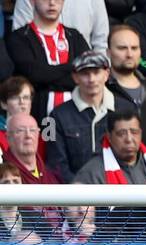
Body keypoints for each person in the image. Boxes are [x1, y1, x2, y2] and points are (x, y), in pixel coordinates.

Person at [47, 49, 137, 182]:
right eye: (85, 74)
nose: (91, 79)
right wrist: (80, 190)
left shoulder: (127, 108)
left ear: (107, 74)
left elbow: (136, 156)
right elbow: (56, 165)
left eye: (96, 72)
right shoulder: (56, 115)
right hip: (77, 195)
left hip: (121, 191)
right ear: (75, 77)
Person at [6, 0, 92, 119]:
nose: (52, 3)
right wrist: (71, 69)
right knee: (48, 136)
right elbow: (34, 74)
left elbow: (86, 73)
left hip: (76, 120)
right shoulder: (19, 38)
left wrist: (45, 80)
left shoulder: (75, 36)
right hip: (39, 119)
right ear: (32, 2)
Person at [72, 107, 146, 185]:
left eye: (134, 132)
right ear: (109, 136)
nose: (129, 139)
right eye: (121, 133)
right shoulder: (91, 173)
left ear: (141, 134)